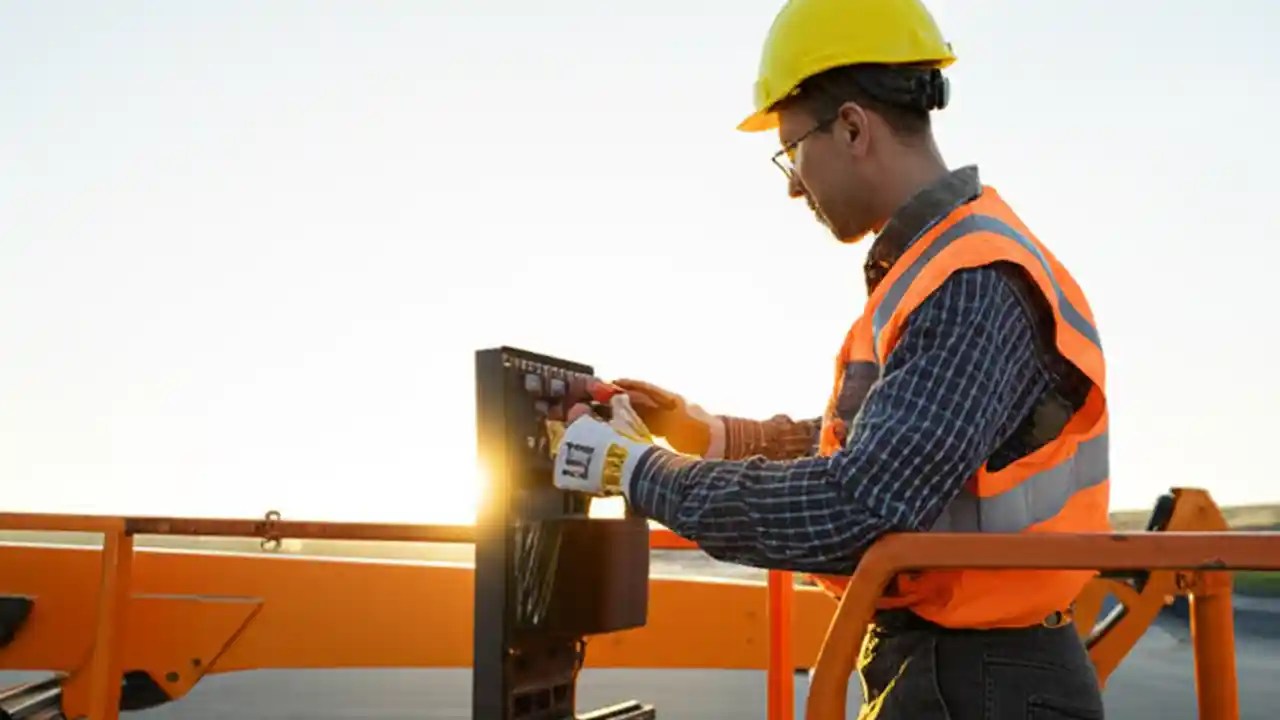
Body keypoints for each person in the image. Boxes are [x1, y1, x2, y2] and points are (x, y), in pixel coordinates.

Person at [552, 0, 1111, 717]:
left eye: (791, 151)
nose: (790, 184)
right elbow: (893, 447)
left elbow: (859, 507)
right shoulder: (942, 265)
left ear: (851, 127)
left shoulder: (970, 282)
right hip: (970, 668)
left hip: (980, 681)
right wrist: (711, 438)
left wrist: (638, 469)